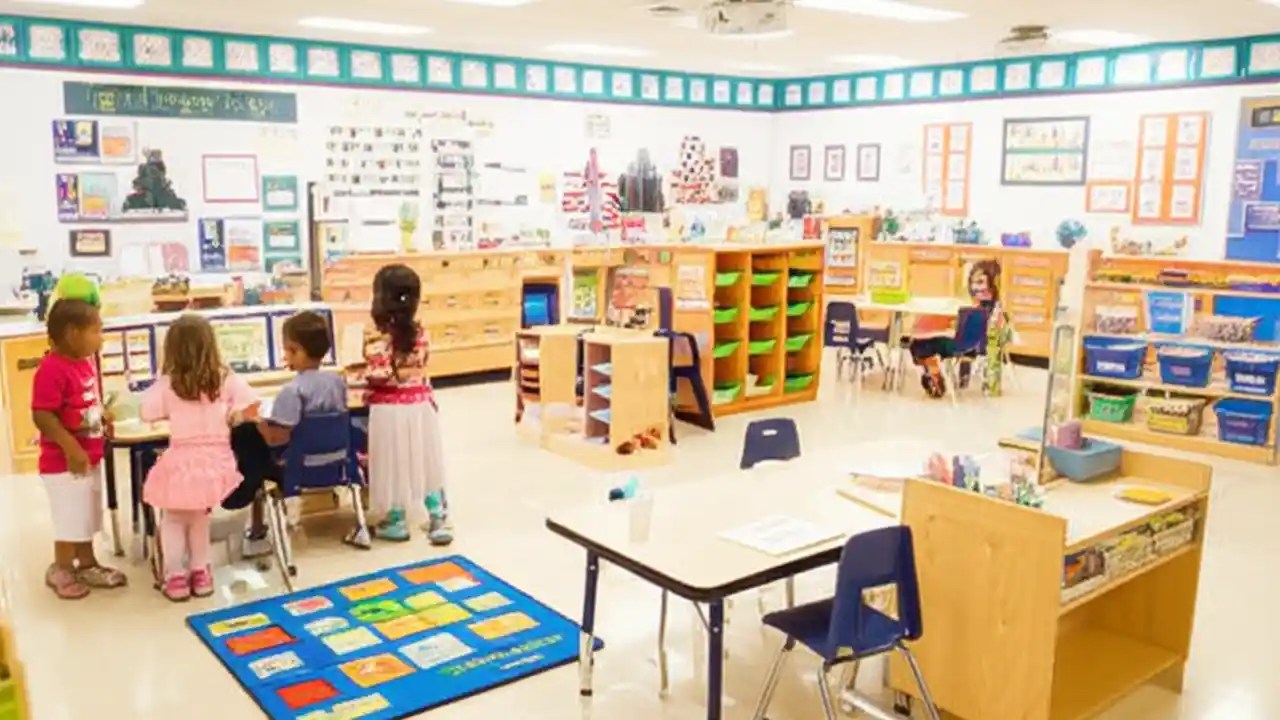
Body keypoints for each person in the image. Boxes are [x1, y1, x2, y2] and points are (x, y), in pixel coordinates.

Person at [140, 314, 258, 601]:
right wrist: (234, 415)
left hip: (182, 460)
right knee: (199, 517)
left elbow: (146, 412)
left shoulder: (169, 383)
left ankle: (175, 576)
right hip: (217, 461)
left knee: (173, 519)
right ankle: (200, 572)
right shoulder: (224, 378)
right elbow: (253, 405)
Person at [222, 310, 350, 554]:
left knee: (250, 443)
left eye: (288, 350)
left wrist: (257, 422)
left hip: (297, 468)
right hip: (337, 462)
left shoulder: (292, 391)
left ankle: (250, 512)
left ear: (295, 350)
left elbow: (276, 437)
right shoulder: (337, 382)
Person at [31, 298, 126, 599]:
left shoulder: (84, 363)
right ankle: (61, 568)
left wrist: (102, 417)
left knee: (86, 516)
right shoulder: (50, 369)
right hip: (63, 463)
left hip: (89, 456)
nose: (101, 338)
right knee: (70, 519)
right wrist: (71, 447)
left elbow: (84, 404)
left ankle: (87, 564)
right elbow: (42, 414)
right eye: (96, 331)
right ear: (73, 333)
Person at [360, 263, 451, 545]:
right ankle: (437, 517)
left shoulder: (377, 338)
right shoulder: (422, 335)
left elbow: (380, 375)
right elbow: (421, 366)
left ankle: (397, 520)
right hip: (421, 406)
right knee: (425, 460)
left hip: (388, 411)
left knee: (393, 462)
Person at [909, 260, 1001, 399]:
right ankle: (932, 369)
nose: (976, 287)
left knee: (918, 342)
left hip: (959, 345)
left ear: (992, 285)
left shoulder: (974, 310)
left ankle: (932, 369)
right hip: (971, 345)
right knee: (925, 336)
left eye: (981, 282)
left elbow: (964, 334)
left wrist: (945, 332)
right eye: (974, 282)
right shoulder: (987, 308)